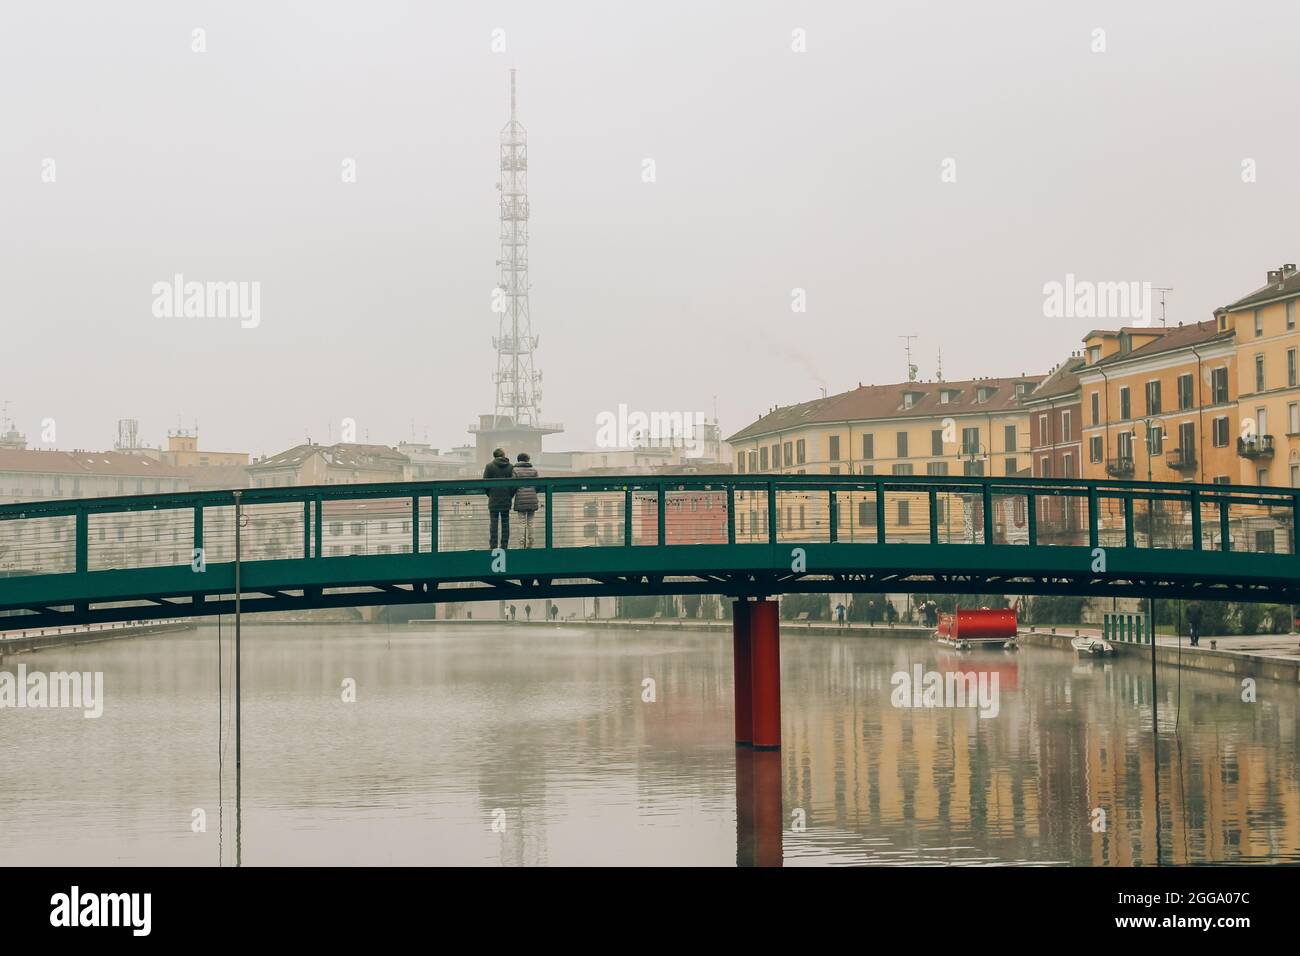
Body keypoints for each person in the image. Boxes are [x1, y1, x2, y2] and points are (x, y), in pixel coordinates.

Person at [483, 447, 514, 549]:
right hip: (506, 499)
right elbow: (514, 485)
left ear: (494, 456)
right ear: (504, 455)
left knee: (493, 524)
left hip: (494, 499)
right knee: (505, 523)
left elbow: (485, 484)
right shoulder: (510, 467)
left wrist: (490, 494)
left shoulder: (489, 466)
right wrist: (510, 495)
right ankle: (504, 545)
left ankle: (493, 545)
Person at [511, 452, 540, 548]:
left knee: (521, 523)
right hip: (532, 498)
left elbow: (513, 486)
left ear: (518, 460)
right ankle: (531, 543)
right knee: (531, 522)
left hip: (520, 499)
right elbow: (538, 486)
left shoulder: (514, 470)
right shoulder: (534, 471)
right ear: (527, 460)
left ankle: (521, 545)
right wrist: (533, 492)